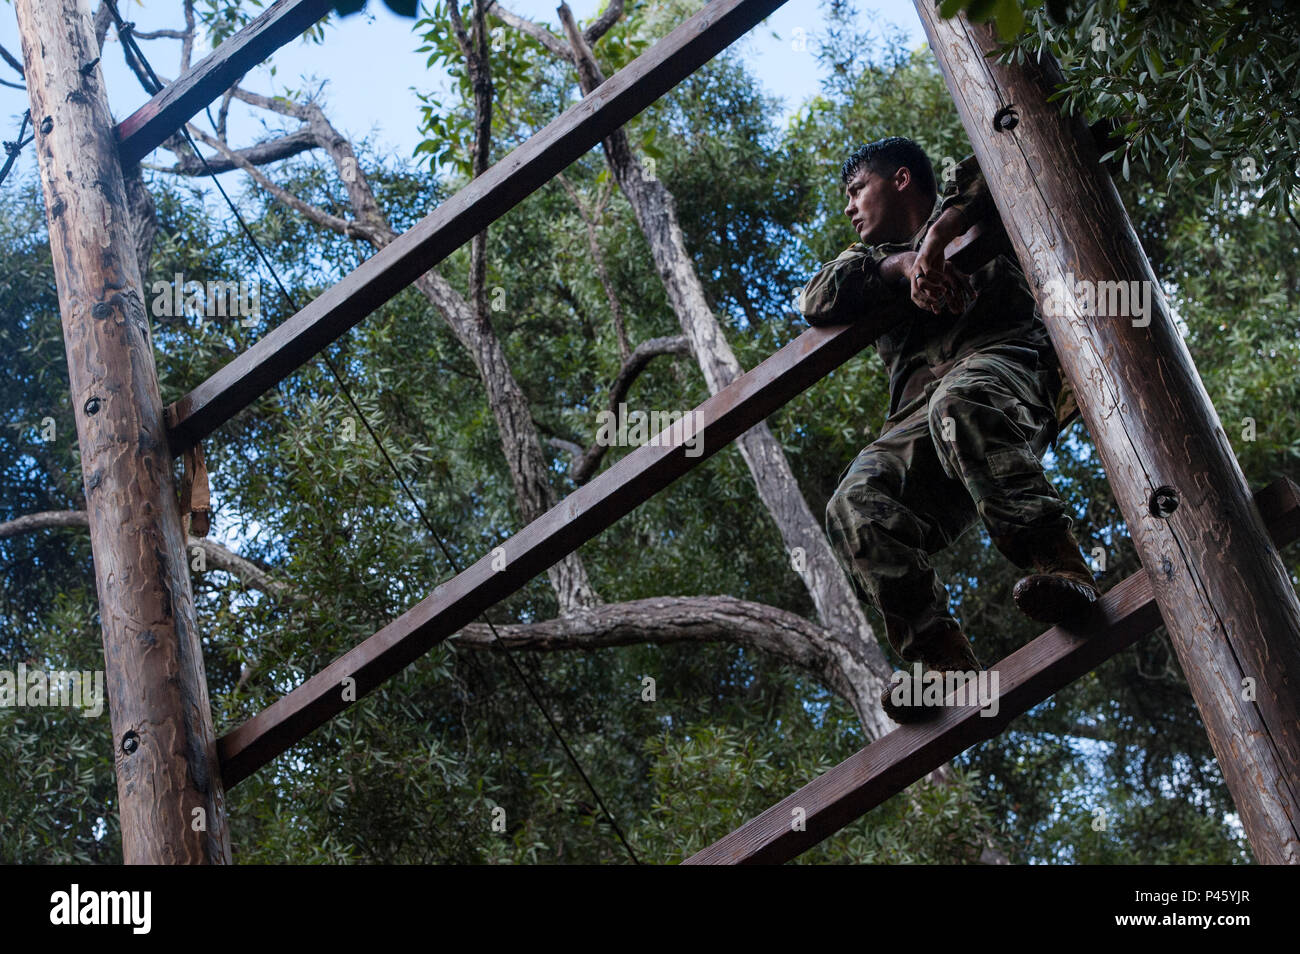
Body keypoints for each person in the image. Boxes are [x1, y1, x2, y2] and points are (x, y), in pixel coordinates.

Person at [797, 136, 1099, 724]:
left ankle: (1061, 566)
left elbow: (1003, 160)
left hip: (1004, 375)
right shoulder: (866, 267)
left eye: (857, 190)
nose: (849, 207)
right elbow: (815, 300)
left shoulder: (978, 206)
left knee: (959, 404)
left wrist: (939, 239)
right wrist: (904, 264)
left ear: (902, 179)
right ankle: (942, 661)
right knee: (854, 502)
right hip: (919, 420)